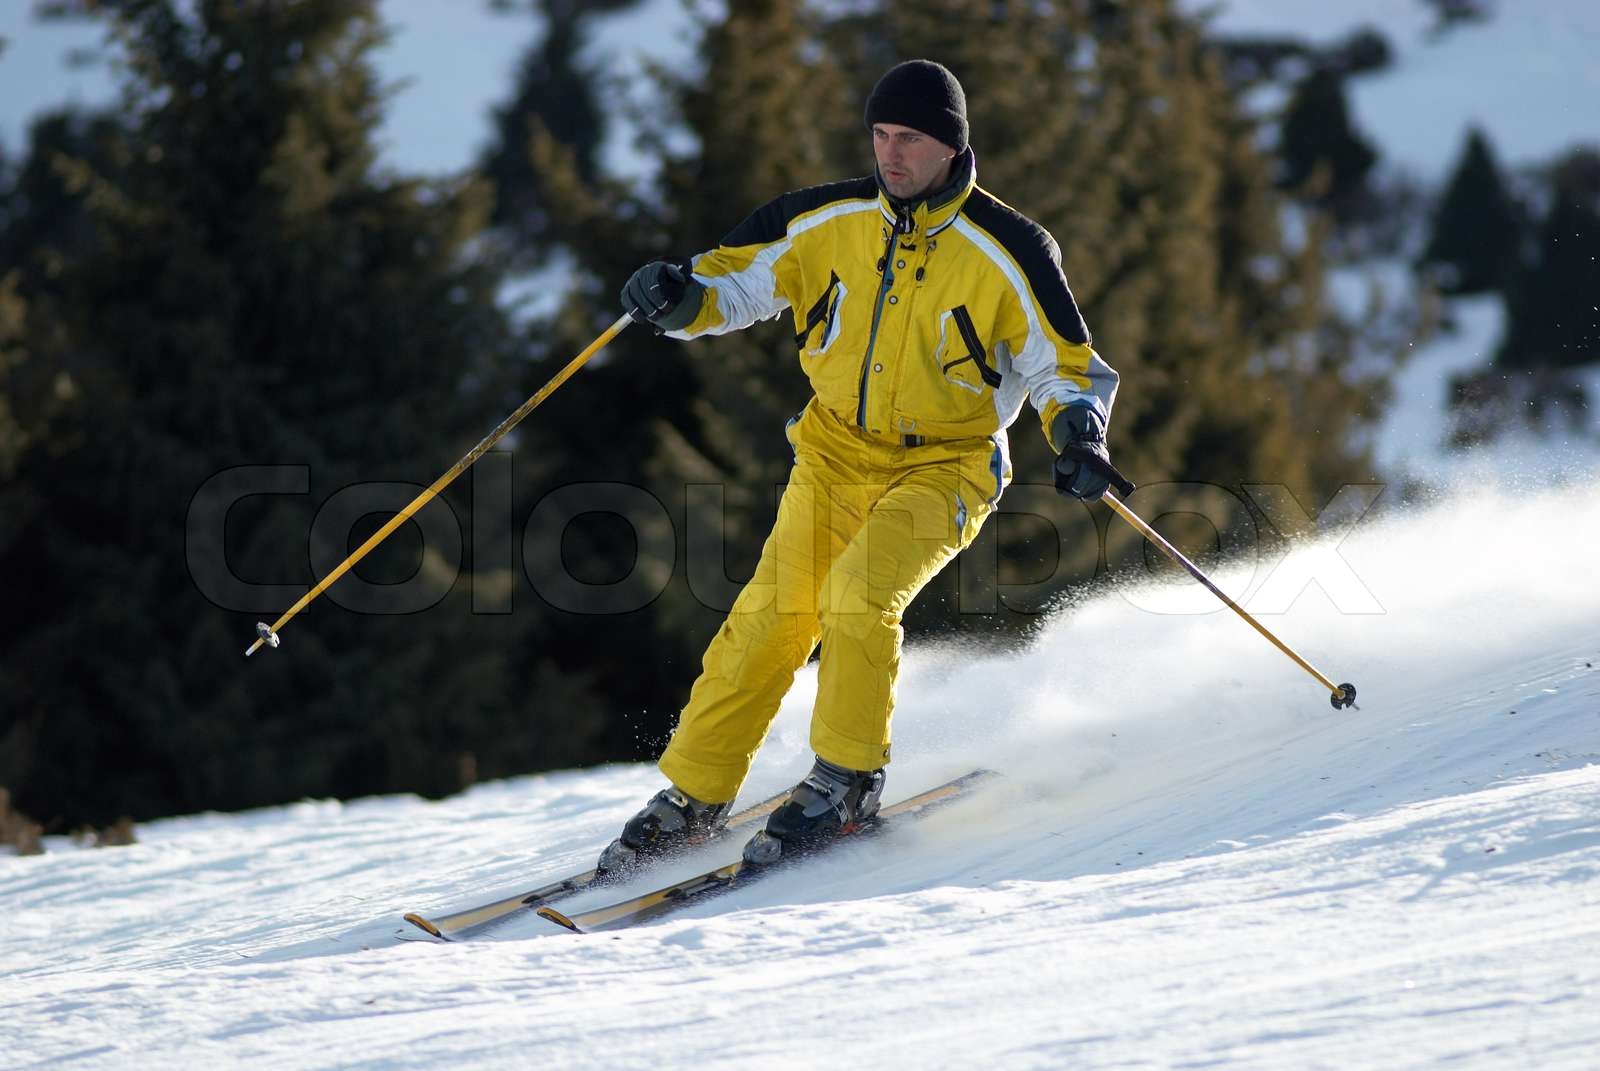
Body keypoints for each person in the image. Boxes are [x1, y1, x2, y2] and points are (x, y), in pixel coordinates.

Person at [599, 59, 1119, 871]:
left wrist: (1081, 431)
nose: (891, 154)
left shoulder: (1010, 249)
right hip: (835, 453)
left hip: (947, 465)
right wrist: (677, 298)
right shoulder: (825, 219)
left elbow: (1066, 365)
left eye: (909, 138)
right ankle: (696, 792)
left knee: (857, 597)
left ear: (950, 146)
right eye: (880, 135)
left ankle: (847, 777)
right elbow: (731, 284)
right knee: (771, 614)